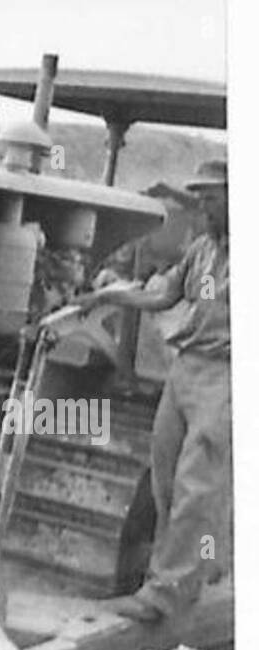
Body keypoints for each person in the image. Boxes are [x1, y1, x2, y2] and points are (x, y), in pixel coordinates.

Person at [74, 159, 230, 622]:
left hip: (226, 372)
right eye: (200, 198)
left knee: (198, 483)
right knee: (164, 475)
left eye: (211, 198)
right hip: (186, 368)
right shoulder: (202, 250)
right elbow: (162, 297)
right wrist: (107, 296)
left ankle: (169, 595)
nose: (203, 207)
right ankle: (183, 575)